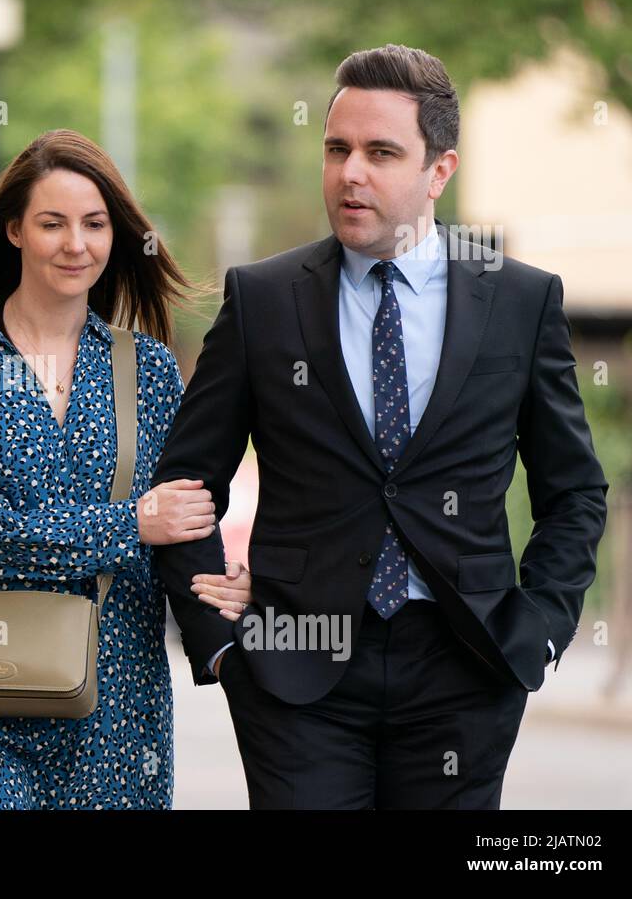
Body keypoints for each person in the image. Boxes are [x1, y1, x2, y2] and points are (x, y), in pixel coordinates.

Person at [154, 44, 608, 809]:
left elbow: (575, 491)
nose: (349, 173)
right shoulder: (264, 299)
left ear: (440, 171)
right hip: (294, 671)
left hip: (467, 667)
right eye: (336, 150)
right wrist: (220, 644)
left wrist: (542, 628)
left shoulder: (519, 301)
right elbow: (187, 481)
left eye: (380, 152)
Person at [0, 128, 247, 809]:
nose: (75, 244)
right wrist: (129, 525)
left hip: (116, 707)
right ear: (15, 230)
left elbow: (181, 522)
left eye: (93, 225)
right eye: (52, 223)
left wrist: (226, 609)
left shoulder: (146, 368)